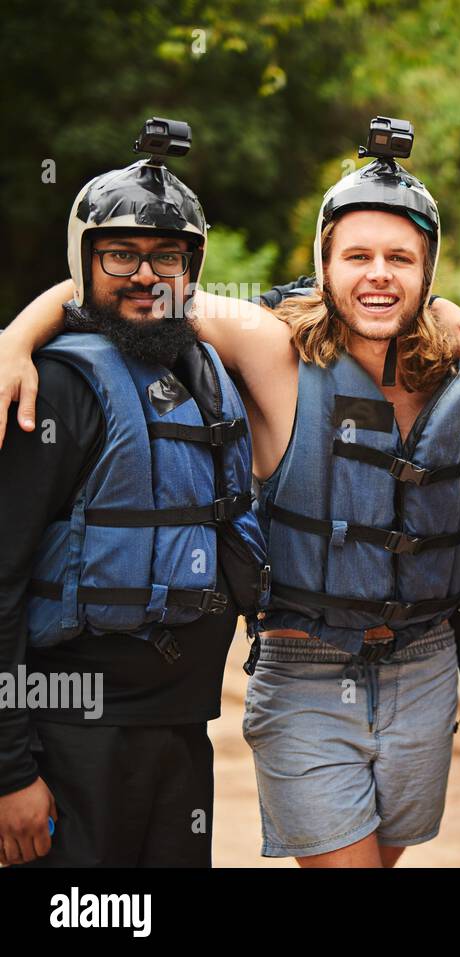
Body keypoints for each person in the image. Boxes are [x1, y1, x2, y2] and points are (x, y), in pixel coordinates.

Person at [0, 117, 460, 868]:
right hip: (299, 664)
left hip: (417, 671)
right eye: (357, 255)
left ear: (430, 274)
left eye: (402, 259)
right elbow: (117, 291)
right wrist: (14, 336)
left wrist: (440, 310)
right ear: (322, 265)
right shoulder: (268, 348)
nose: (379, 273)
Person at [0, 119, 268, 866]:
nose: (145, 275)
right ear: (83, 263)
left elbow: (360, 303)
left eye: (167, 256)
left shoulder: (204, 370)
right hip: (69, 738)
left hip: (179, 734)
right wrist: (10, 771)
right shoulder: (49, 389)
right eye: (119, 253)